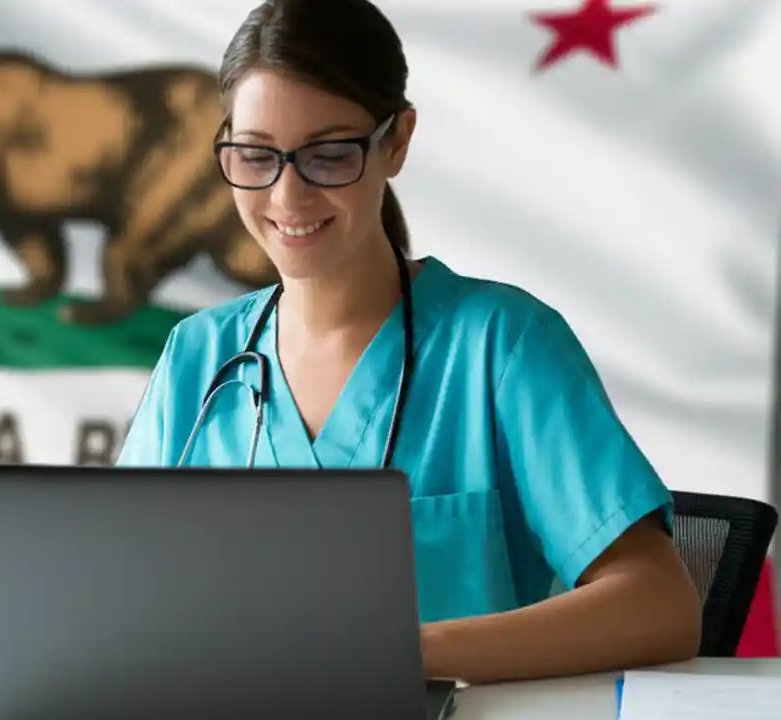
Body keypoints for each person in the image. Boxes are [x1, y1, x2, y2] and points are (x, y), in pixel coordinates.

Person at [115, 0, 701, 685]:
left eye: (330, 155)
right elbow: (120, 592)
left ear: (397, 142)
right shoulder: (197, 357)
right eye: (256, 155)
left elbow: (663, 606)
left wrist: (396, 654)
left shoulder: (501, 344)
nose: (288, 193)